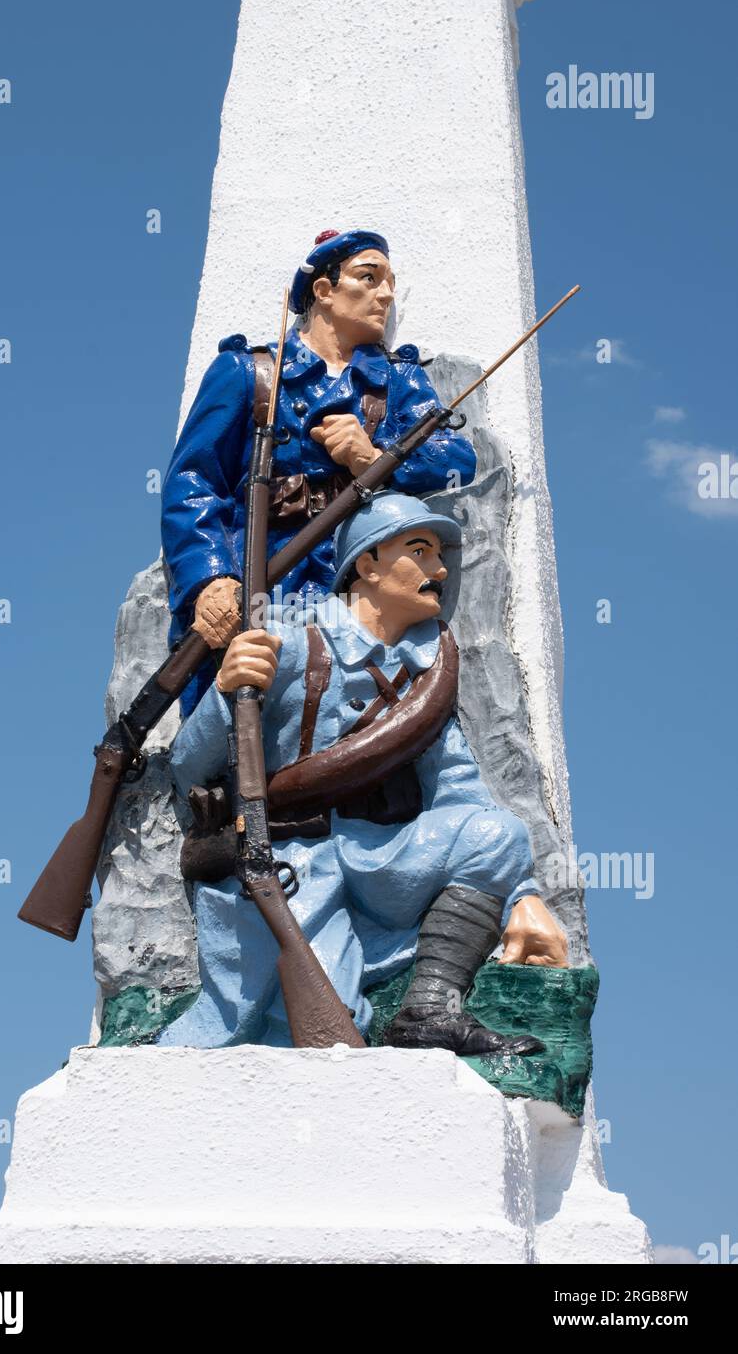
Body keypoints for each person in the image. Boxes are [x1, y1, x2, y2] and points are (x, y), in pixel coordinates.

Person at [153, 492, 568, 1053]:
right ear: (367, 563)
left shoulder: (425, 672)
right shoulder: (292, 642)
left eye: (438, 556)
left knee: (497, 834)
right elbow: (189, 770)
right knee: (322, 1034)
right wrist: (226, 694)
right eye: (418, 551)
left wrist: (522, 893)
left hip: (377, 857)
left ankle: (429, 1011)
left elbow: (459, 789)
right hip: (290, 859)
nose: (439, 570)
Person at [160, 228, 476, 713]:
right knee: (240, 707)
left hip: (356, 578)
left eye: (389, 282)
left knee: (357, 707)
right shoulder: (251, 372)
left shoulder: (399, 379)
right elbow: (195, 481)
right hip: (261, 570)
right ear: (324, 290)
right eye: (368, 278)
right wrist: (210, 579)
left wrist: (371, 457)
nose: (385, 294)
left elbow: (457, 459)